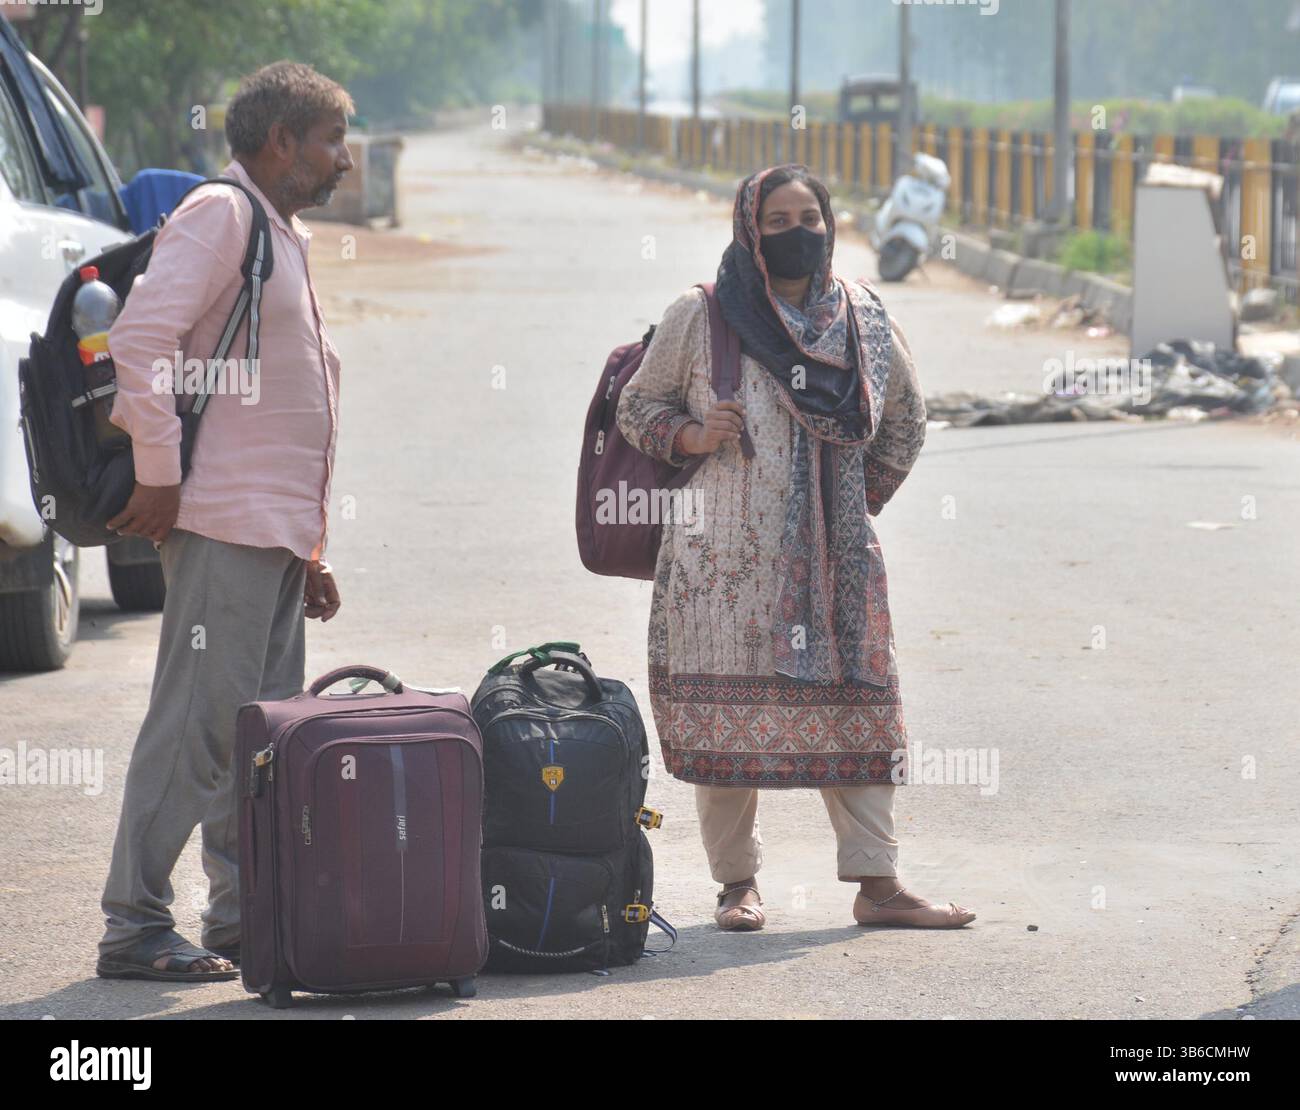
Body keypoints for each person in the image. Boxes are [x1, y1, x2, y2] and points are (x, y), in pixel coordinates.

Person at [616, 163, 975, 932]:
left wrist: (849, 510)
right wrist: (688, 432)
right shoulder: (706, 314)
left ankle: (879, 886)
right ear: (750, 231)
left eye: (808, 216)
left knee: (860, 714)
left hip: (838, 567)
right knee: (723, 724)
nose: (796, 233)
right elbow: (635, 404)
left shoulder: (863, 317)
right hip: (720, 572)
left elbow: (906, 421)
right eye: (776, 221)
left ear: (831, 222)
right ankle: (736, 885)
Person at [95, 62, 354, 981]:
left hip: (270, 533)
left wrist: (307, 546)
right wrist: (159, 478)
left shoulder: (282, 232)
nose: (344, 162)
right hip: (218, 522)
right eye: (330, 140)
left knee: (255, 739)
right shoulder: (224, 215)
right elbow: (141, 338)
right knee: (198, 730)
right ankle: (133, 923)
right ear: (281, 140)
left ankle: (242, 921)